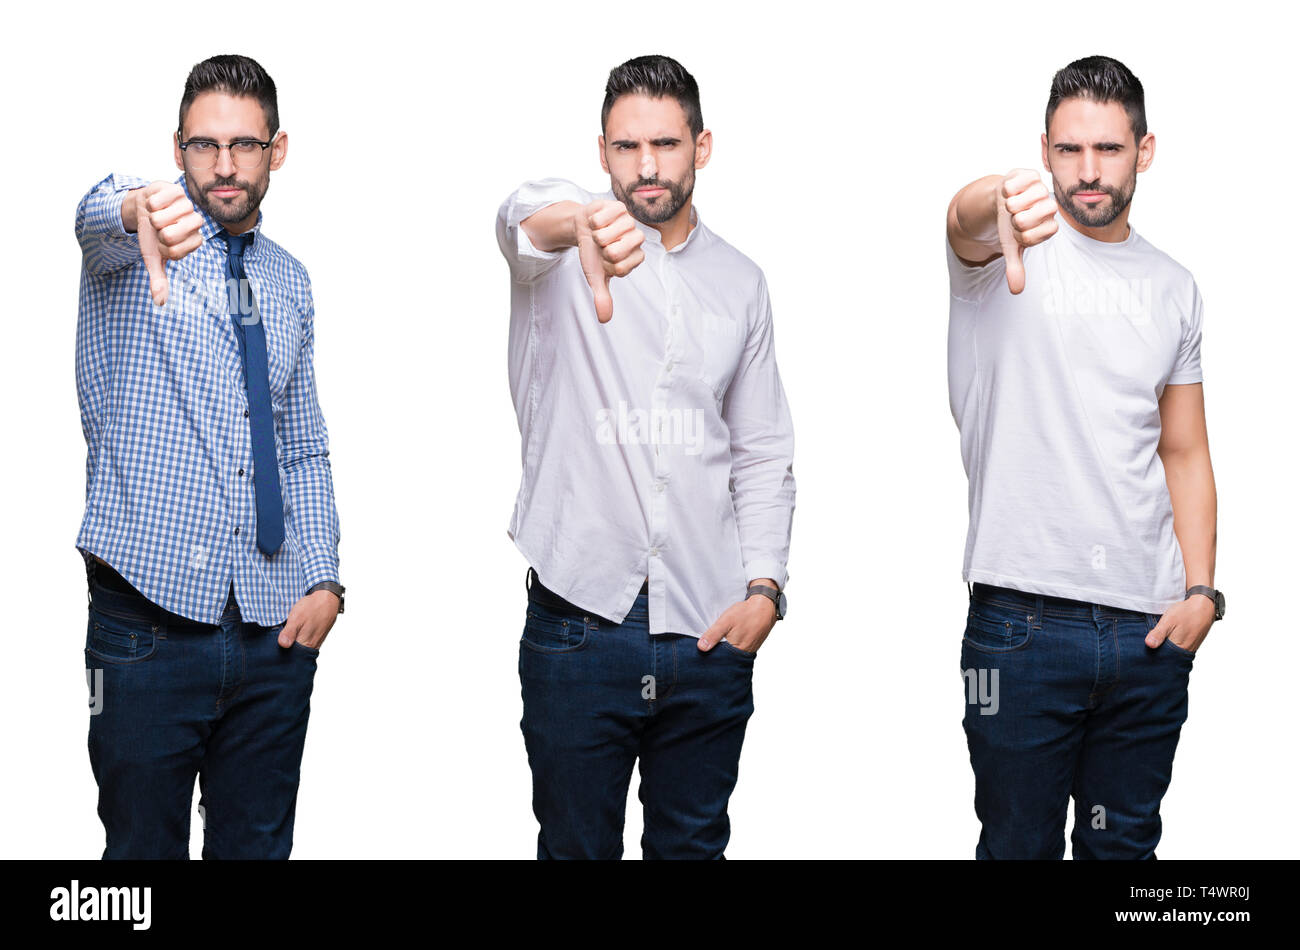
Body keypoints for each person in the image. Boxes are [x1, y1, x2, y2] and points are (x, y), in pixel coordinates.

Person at [495, 54, 796, 859]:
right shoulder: (557, 253)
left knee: (693, 848)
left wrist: (764, 590)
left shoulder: (741, 283)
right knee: (574, 850)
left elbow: (762, 450)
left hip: (708, 625)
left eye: (666, 144)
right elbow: (518, 219)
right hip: (578, 624)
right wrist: (577, 223)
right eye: (627, 147)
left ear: (703, 146)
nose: (648, 166)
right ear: (602, 152)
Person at [945, 55, 1221, 859]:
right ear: (1044, 151)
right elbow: (961, 222)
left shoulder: (1176, 287)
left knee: (1126, 853)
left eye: (1107, 149)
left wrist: (1201, 592)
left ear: (1145, 150)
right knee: (1015, 847)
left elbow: (1185, 446)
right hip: (1018, 627)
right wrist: (991, 199)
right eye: (1068, 151)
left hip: (1150, 626)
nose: (1087, 171)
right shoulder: (1001, 254)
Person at [74, 54, 344, 859]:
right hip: (146, 628)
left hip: (272, 629)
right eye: (202, 146)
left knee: (257, 848)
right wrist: (133, 208)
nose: (223, 166)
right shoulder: (131, 248)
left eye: (244, 145)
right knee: (137, 866)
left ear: (277, 150)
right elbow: (94, 217)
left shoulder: (290, 281)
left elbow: (302, 444)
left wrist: (324, 578)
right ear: (177, 149)